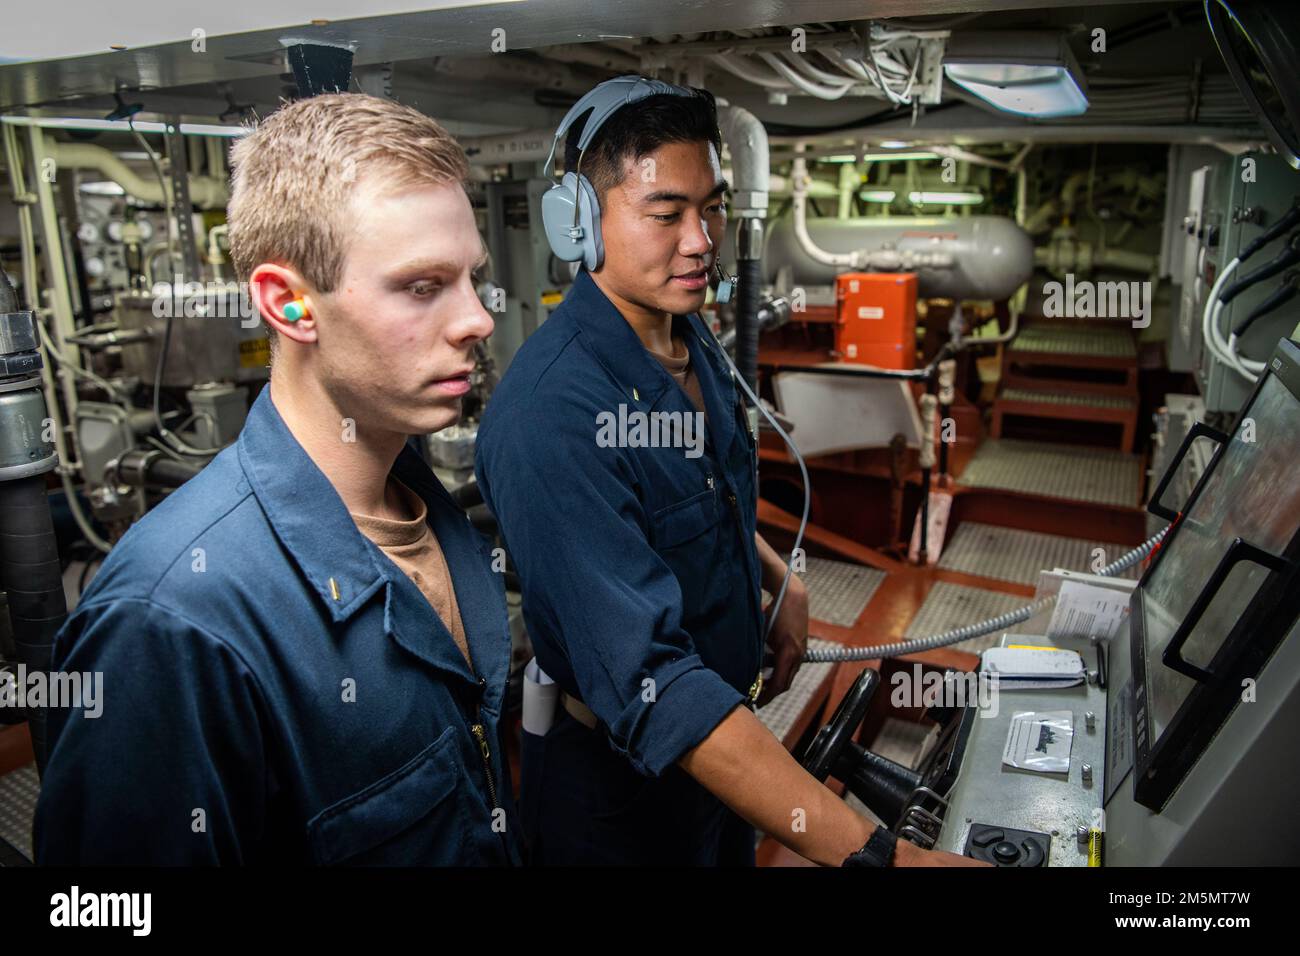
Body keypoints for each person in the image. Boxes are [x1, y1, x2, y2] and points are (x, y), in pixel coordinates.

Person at [476, 77, 981, 866]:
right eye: (666, 213)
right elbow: (656, 686)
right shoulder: (550, 417)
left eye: (711, 207)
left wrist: (775, 579)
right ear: (579, 222)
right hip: (620, 800)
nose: (702, 240)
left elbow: (702, 496)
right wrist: (888, 859)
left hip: (721, 768)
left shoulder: (690, 339)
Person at [35, 93, 519, 865]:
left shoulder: (429, 511)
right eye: (423, 286)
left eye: (472, 278)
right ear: (288, 303)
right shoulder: (172, 623)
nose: (477, 319)